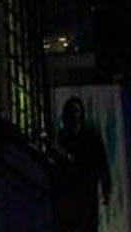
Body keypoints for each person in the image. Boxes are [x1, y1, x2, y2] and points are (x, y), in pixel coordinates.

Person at [52, 96, 111, 232]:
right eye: (72, 111)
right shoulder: (62, 137)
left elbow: (101, 162)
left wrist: (106, 187)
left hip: (86, 191)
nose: (75, 115)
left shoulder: (91, 136)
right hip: (69, 193)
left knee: (87, 224)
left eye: (77, 111)